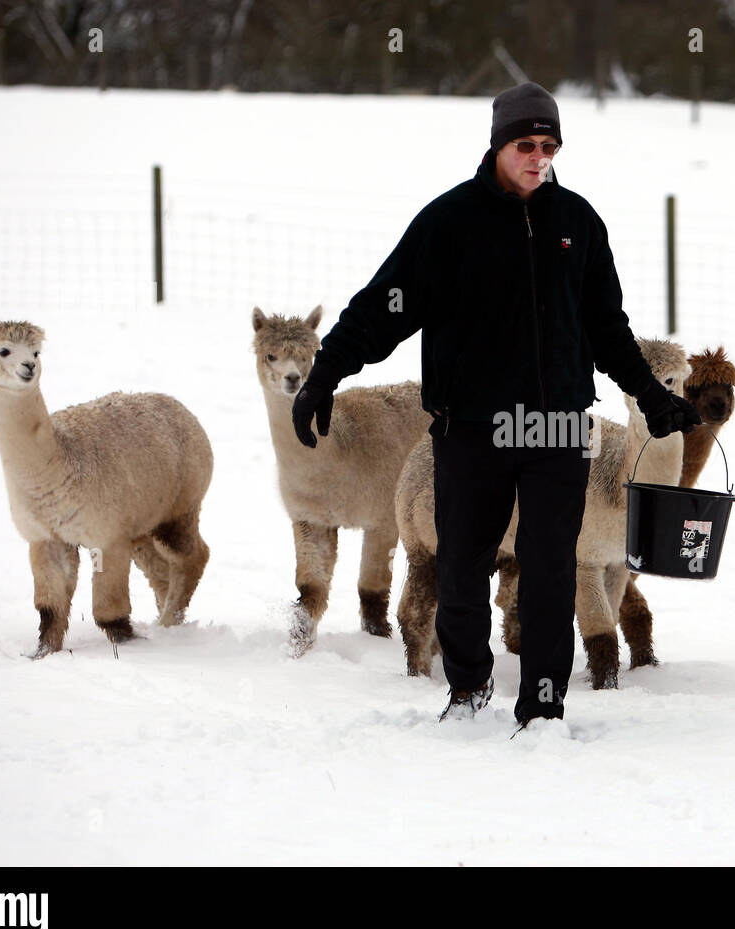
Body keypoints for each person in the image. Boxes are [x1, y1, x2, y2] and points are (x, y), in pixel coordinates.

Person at [292, 81, 699, 730]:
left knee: (546, 573)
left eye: (549, 146)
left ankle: (543, 702)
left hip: (559, 427)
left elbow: (607, 330)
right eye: (525, 145)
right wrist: (324, 373)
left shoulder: (578, 225)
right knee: (462, 567)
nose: (538, 157)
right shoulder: (449, 223)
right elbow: (384, 306)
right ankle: (470, 689)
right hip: (472, 429)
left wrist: (651, 397)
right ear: (498, 145)